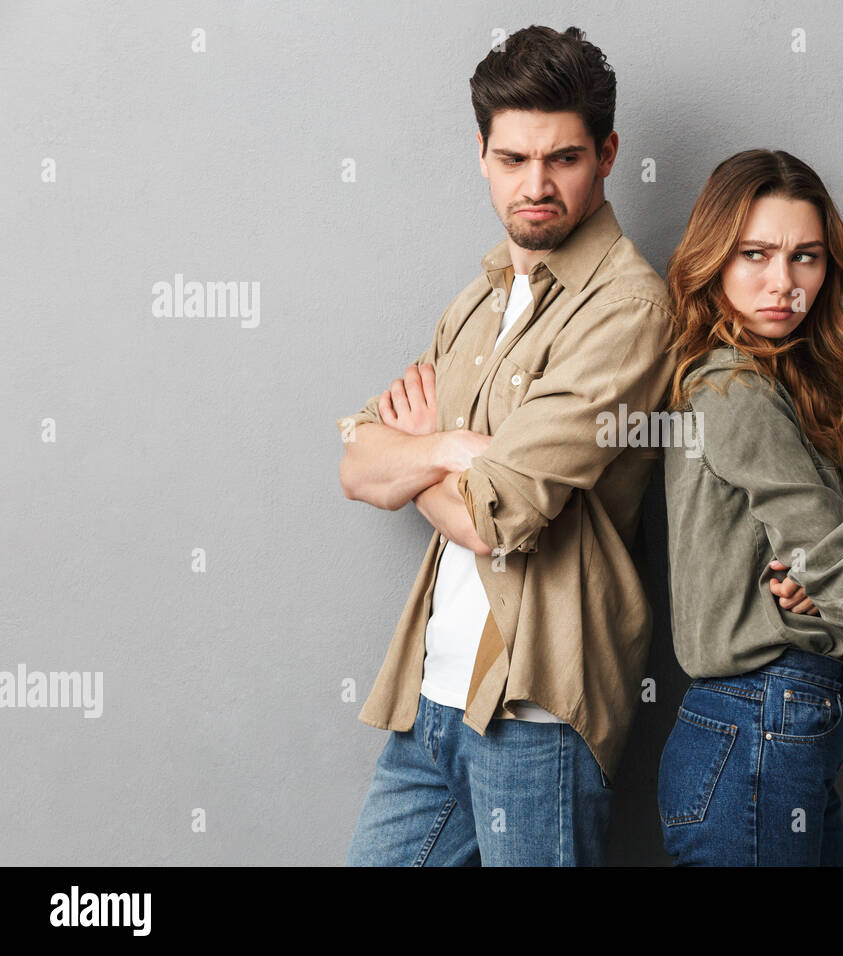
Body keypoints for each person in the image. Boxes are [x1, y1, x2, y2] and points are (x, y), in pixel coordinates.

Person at [336, 25, 674, 866]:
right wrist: (449, 446)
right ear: (482, 156)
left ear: (605, 155)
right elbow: (355, 463)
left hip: (536, 710)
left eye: (562, 158)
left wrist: (413, 459)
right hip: (431, 701)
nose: (537, 184)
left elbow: (499, 519)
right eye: (514, 159)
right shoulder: (482, 298)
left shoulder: (626, 308)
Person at [657, 148, 843, 865]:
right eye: (755, 254)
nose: (782, 282)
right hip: (758, 723)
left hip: (779, 730)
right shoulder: (735, 392)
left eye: (806, 257)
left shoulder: (792, 393)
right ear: (714, 260)